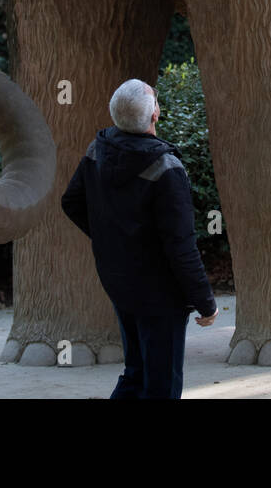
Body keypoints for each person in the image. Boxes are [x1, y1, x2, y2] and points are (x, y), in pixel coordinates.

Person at [61, 78, 217, 399]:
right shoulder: (166, 167)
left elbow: (71, 202)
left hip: (119, 281)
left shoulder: (97, 150)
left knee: (135, 373)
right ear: (155, 116)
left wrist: (114, 240)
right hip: (160, 295)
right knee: (161, 385)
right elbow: (181, 246)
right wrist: (205, 301)